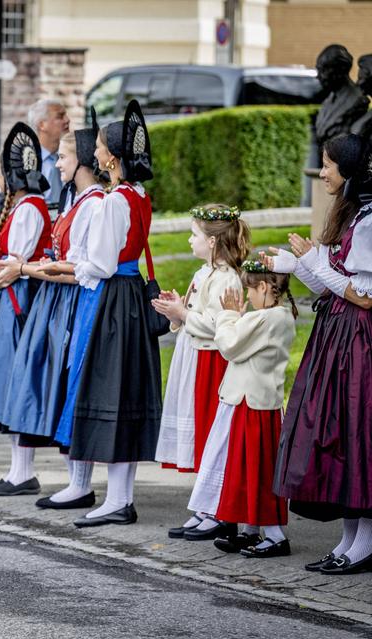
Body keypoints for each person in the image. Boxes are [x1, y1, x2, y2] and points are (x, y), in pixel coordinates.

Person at [267, 133, 372, 575]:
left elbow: (364, 294)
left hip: (359, 339)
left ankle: (364, 542)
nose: (323, 172)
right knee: (340, 437)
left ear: (349, 169)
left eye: (328, 165)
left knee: (356, 434)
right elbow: (331, 283)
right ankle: (350, 539)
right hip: (338, 336)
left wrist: (316, 263)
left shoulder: (369, 222)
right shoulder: (355, 216)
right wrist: (297, 265)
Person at [63, 99, 162, 528]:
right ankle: (121, 496)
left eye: (101, 147)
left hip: (112, 301)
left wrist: (77, 264)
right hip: (133, 298)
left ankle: (118, 500)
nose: (97, 153)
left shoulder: (112, 201)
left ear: (113, 157)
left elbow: (100, 265)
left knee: (111, 392)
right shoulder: (139, 196)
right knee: (127, 394)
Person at [0, 126, 105, 509]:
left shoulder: (94, 204)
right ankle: (73, 480)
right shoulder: (80, 200)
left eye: (63, 156)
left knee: (68, 381)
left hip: (73, 299)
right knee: (56, 383)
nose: (57, 163)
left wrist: (27, 270)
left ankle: (81, 482)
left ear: (84, 161)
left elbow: (79, 267)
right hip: (58, 298)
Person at [152, 204, 251, 541]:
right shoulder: (201, 274)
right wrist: (176, 313)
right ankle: (204, 506)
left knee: (210, 433)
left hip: (212, 364)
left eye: (194, 234)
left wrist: (185, 313)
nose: (189, 239)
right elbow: (196, 316)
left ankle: (216, 510)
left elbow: (220, 324)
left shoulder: (227, 278)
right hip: (192, 357)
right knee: (199, 431)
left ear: (211, 241)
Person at [0, 122, 52, 497]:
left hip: (17, 304)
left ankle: (23, 472)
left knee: (18, 383)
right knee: (8, 384)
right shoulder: (21, 205)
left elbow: (11, 268)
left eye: (1, 170)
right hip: (9, 302)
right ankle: (17, 470)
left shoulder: (29, 209)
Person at [202, 261, 296, 558]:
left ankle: (276, 536)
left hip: (257, 404)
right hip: (246, 401)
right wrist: (237, 319)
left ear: (265, 287)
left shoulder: (272, 318)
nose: (248, 295)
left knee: (260, 468)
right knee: (245, 469)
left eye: (250, 289)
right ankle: (251, 531)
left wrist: (228, 315)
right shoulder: (264, 317)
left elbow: (229, 345)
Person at [27, 98, 70, 210]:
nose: (67, 120)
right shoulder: (28, 163)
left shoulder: (72, 158)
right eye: (60, 116)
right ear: (42, 125)